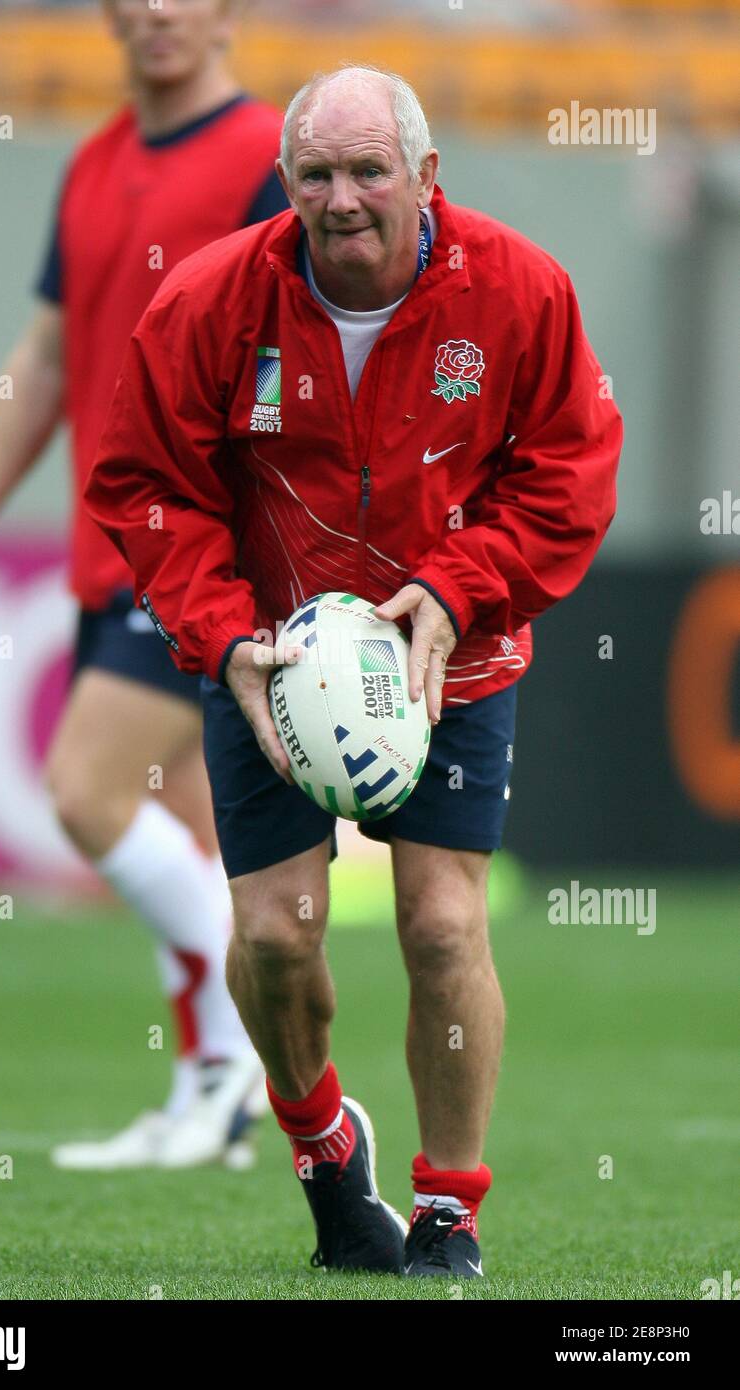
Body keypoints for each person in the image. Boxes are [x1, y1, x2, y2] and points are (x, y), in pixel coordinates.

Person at [85, 63, 622, 1274]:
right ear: (284, 181)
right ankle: (324, 1146)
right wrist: (225, 638)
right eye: (315, 174)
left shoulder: (521, 290)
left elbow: (570, 473)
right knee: (276, 937)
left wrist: (457, 588)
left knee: (440, 923)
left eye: (367, 170)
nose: (340, 199)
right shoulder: (210, 301)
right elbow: (145, 484)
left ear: (424, 175)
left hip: (452, 651)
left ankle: (448, 1210)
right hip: (271, 656)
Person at [0, 0, 291, 1171]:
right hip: (105, 542)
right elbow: (45, 357)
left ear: (225, 11)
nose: (158, 9)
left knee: (84, 790)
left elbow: (289, 356)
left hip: (197, 550)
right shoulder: (93, 163)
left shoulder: (267, 157)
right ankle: (216, 1086)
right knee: (186, 828)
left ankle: (246, 1059)